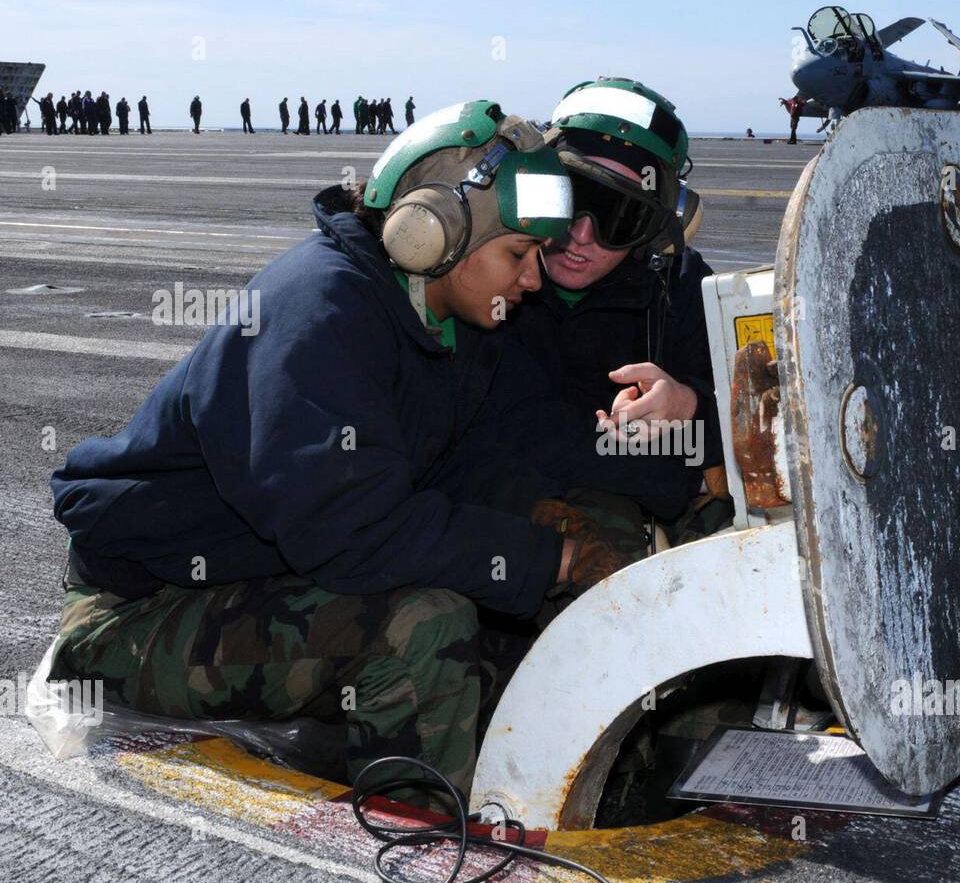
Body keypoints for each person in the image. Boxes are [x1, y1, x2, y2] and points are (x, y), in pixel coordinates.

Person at [47, 100, 626, 806]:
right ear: (430, 234)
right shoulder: (320, 311)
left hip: (251, 580)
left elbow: (461, 464)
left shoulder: (444, 320)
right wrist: (549, 559)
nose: (534, 280)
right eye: (518, 254)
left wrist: (561, 522)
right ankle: (415, 853)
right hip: (137, 612)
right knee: (423, 631)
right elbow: (351, 531)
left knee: (518, 603)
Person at [505, 78, 727, 541]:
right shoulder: (483, 275)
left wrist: (690, 409)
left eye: (621, 218)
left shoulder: (678, 290)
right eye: (570, 204)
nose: (582, 237)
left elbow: (762, 431)